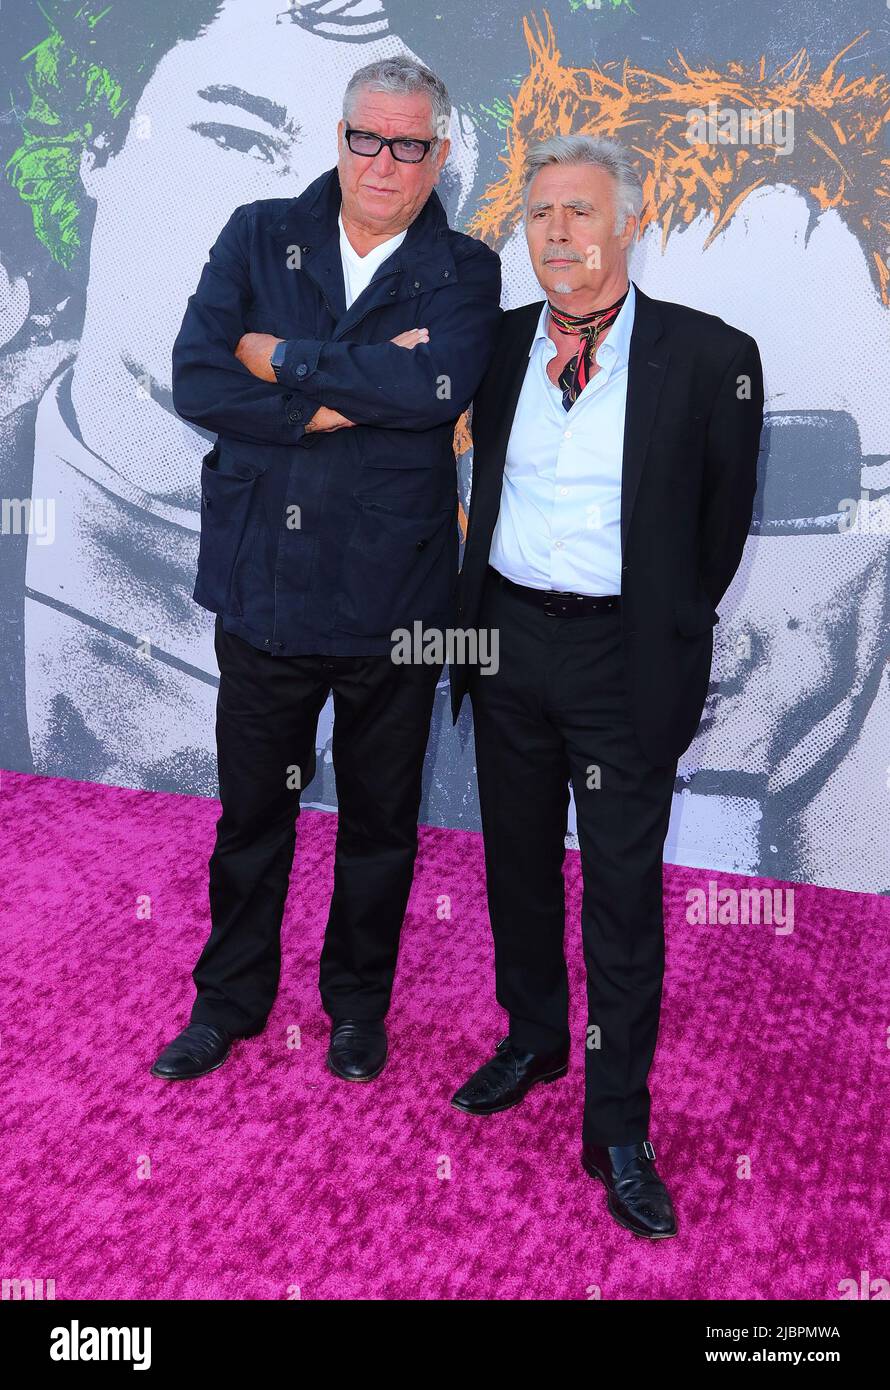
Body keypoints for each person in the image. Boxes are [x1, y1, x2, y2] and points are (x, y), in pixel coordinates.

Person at [151, 55, 501, 1085]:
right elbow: (198, 375)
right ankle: (228, 999)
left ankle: (356, 1007)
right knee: (252, 812)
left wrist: (287, 357)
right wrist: (341, 399)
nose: (382, 164)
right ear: (338, 137)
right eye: (365, 139)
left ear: (438, 155)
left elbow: (437, 383)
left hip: (397, 598)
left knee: (381, 823)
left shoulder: (466, 270)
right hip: (263, 582)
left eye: (406, 145)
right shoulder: (260, 231)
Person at [449, 134, 764, 1239]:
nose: (558, 236)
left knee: (621, 899)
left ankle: (616, 1122)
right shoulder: (492, 347)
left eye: (579, 212)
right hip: (502, 642)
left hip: (620, 661)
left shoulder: (709, 354)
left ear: (628, 223)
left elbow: (714, 534)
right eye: (538, 215)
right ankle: (533, 1035)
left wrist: (657, 627)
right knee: (517, 864)